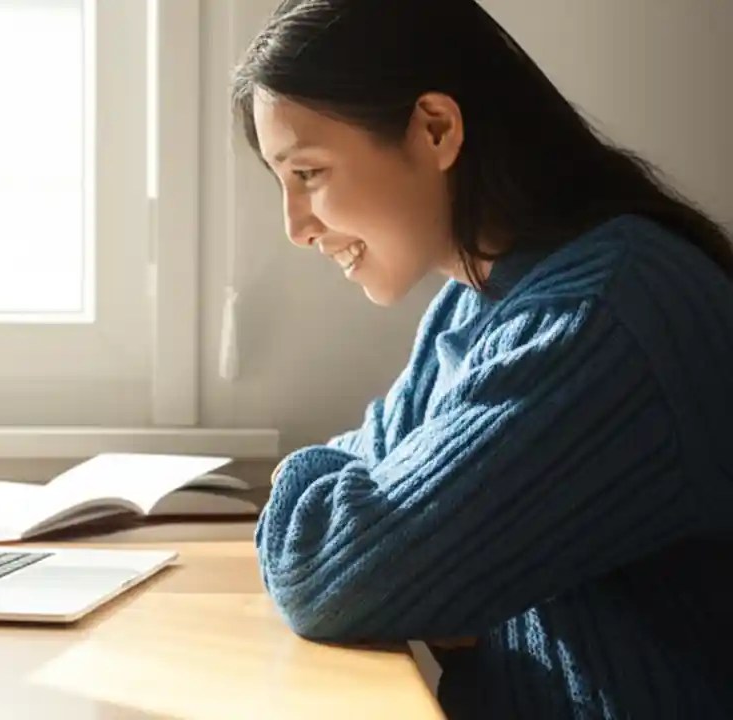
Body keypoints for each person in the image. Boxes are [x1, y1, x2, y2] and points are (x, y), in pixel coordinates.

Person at [231, 0, 733, 717]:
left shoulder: (599, 320)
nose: (295, 226)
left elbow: (326, 574)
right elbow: (364, 495)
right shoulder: (476, 304)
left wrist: (309, 488)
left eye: (308, 172)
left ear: (435, 129)